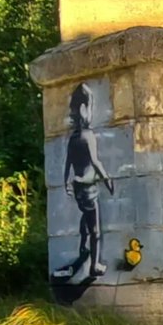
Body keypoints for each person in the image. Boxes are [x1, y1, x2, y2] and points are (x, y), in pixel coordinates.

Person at [53, 83, 116, 281]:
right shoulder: (89, 136)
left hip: (78, 187)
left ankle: (82, 245)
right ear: (84, 109)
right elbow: (96, 161)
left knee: (85, 215)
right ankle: (94, 266)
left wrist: (65, 183)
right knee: (96, 229)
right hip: (89, 189)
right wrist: (107, 180)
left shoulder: (73, 138)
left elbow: (68, 163)